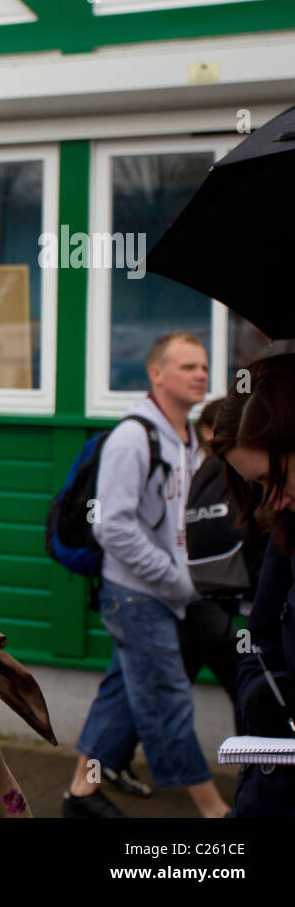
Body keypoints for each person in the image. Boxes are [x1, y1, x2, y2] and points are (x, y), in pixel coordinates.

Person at [64, 332, 231, 817]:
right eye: (187, 367)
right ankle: (215, 809)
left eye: (203, 366)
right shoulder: (133, 438)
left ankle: (81, 791)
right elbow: (113, 528)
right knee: (166, 702)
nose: (200, 374)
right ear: (156, 374)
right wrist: (177, 580)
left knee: (120, 699)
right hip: (137, 596)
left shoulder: (184, 437)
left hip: (163, 593)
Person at [209, 353, 295, 818]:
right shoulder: (286, 535)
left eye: (273, 477)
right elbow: (258, 643)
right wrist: (269, 697)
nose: (275, 499)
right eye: (257, 485)